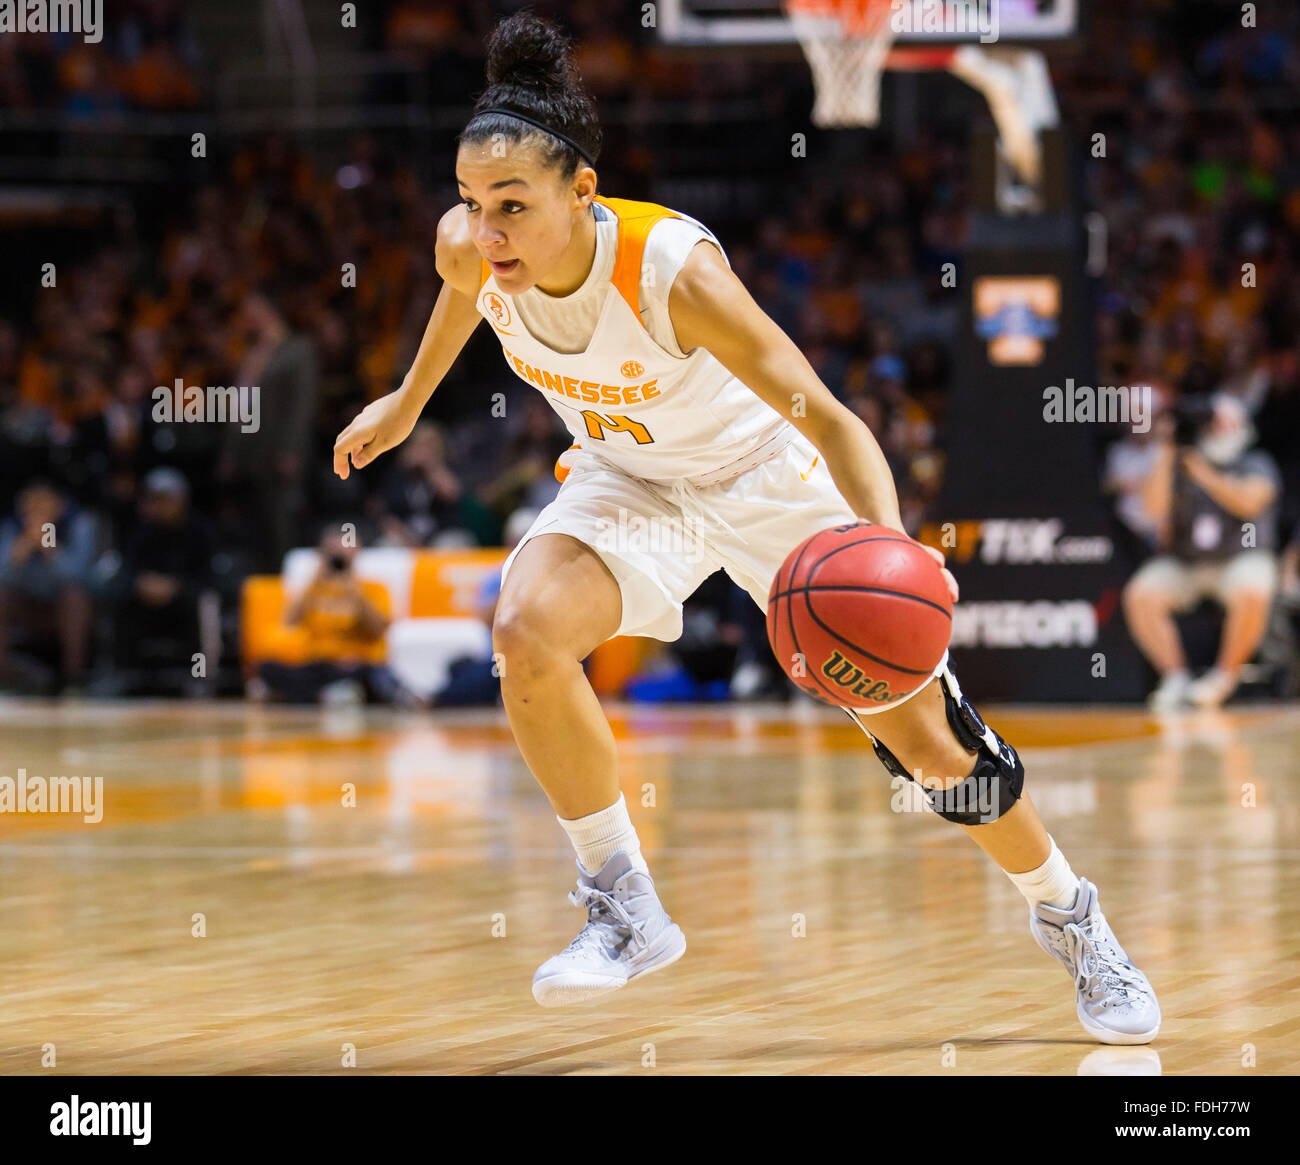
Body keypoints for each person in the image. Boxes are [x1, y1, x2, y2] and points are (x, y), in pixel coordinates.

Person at [332, 13, 1159, 1044]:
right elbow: (459, 298)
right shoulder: (470, 249)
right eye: (471, 204)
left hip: (767, 479)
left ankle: (1070, 914)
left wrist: (892, 543)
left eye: (512, 205)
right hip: (628, 474)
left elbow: (832, 415)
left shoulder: (669, 273)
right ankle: (623, 904)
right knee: (524, 631)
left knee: (933, 750)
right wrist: (405, 404)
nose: (487, 230)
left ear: (581, 193)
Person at [1122, 393, 1282, 710]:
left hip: (1238, 559)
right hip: (1187, 563)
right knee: (1141, 593)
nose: (1216, 429)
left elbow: (1250, 502)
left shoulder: (1254, 461)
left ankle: (1224, 678)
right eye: (1212, 422)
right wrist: (1166, 451)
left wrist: (1203, 471)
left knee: (1254, 585)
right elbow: (1151, 512)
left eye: (1223, 422)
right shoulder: (1176, 464)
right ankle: (1176, 677)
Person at [255, 526, 424, 708]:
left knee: (373, 675)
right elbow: (289, 621)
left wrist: (354, 591)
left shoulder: (373, 588)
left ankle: (320, 696)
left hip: (357, 664)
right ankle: (331, 695)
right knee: (268, 668)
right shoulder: (315, 588)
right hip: (320, 664)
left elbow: (379, 629)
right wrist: (316, 578)